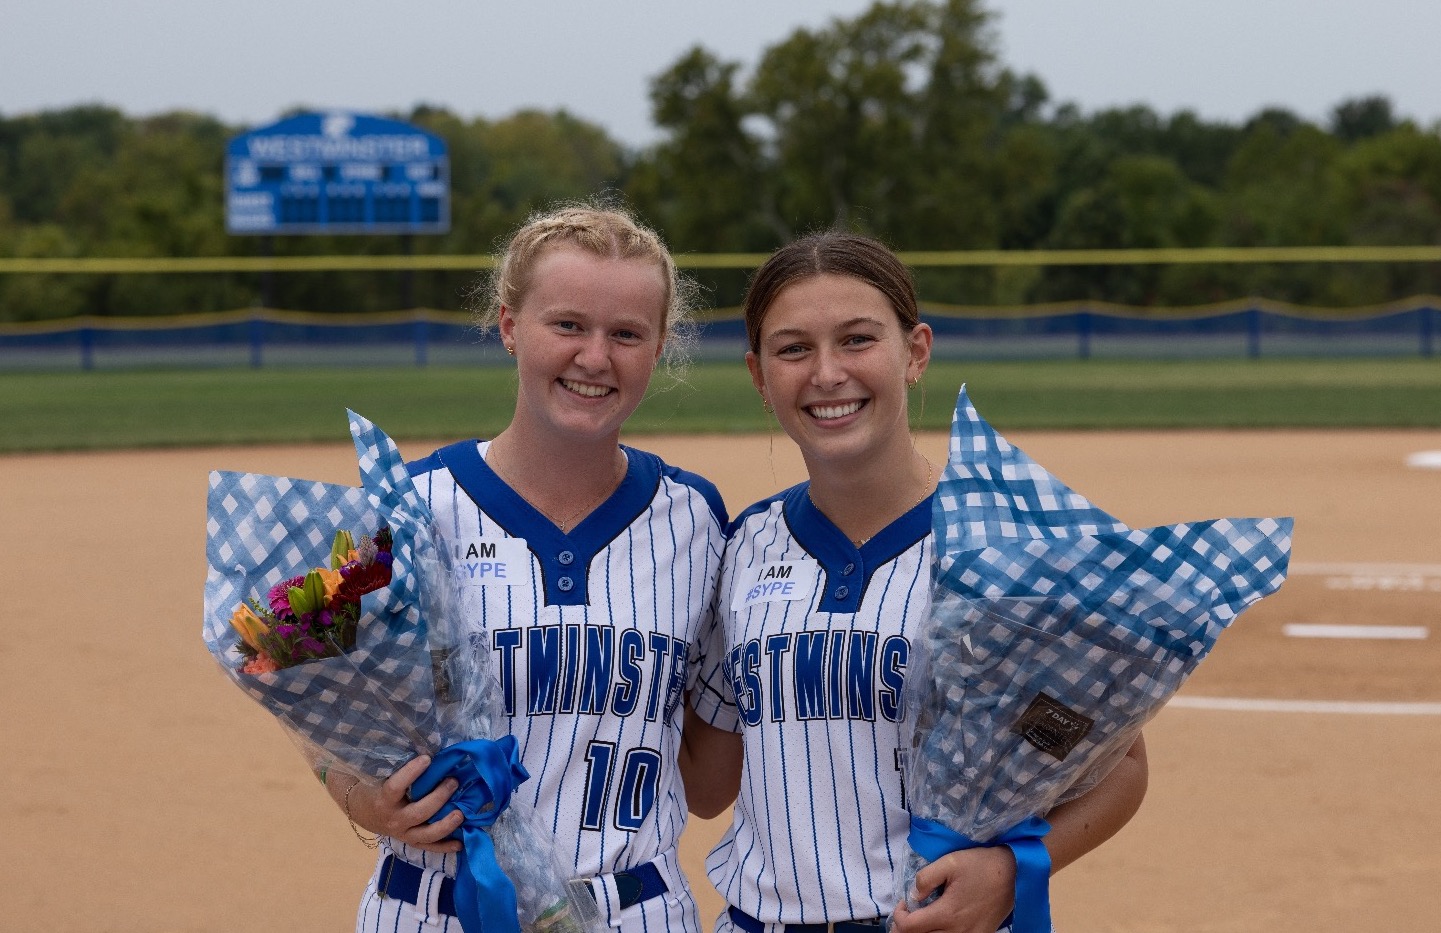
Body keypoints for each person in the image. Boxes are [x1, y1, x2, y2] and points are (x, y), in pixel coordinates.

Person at [687, 232, 1149, 933]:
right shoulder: (744, 545)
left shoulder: (1003, 549)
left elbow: (1121, 768)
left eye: (857, 340)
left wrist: (1015, 869)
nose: (827, 372)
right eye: (793, 349)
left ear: (916, 351)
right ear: (758, 374)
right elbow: (706, 784)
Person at [330, 203, 732, 933]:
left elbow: (709, 776)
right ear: (511, 326)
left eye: (627, 334)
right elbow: (319, 698)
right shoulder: (409, 506)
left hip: (632, 910)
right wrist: (358, 794)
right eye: (568, 324)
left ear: (659, 347)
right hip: (436, 907)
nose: (595, 357)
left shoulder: (696, 519)